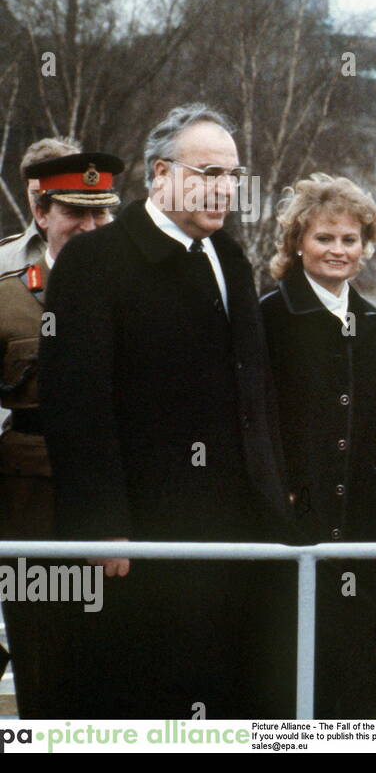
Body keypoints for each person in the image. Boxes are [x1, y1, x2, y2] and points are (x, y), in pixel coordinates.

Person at [40, 103, 290, 718]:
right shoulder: (95, 263)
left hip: (238, 526)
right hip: (144, 532)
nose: (224, 189)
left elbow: (254, 393)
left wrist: (274, 496)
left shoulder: (229, 256)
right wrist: (102, 523)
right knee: (148, 693)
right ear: (159, 174)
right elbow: (76, 402)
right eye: (207, 172)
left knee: (234, 692)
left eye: (232, 175)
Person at [259, 173, 376, 717]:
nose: (338, 251)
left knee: (360, 662)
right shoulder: (270, 317)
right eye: (325, 238)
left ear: (365, 247)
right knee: (293, 658)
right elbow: (259, 419)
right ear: (298, 241)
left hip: (361, 518)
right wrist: (284, 491)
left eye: (350, 240)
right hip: (294, 517)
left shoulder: (370, 322)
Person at [0, 150, 120, 717]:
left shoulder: (137, 287)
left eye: (102, 215)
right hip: (30, 506)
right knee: (42, 661)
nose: (91, 227)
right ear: (42, 212)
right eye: (76, 212)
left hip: (121, 508)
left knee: (115, 664)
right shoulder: (6, 292)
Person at [0, 136, 83, 274]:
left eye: (49, 192)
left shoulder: (105, 247)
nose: (40, 200)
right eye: (35, 192)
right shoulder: (4, 258)